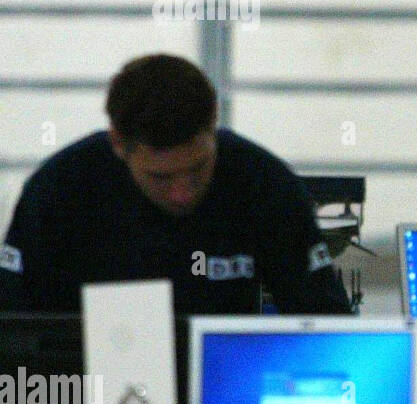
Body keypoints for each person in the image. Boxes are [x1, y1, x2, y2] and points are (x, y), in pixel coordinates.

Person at [0, 54, 350, 315]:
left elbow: (324, 324)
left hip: (224, 395)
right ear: (119, 144)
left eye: (198, 169)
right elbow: (14, 330)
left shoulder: (264, 185)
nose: (182, 193)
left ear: (214, 123)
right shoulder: (59, 192)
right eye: (160, 177)